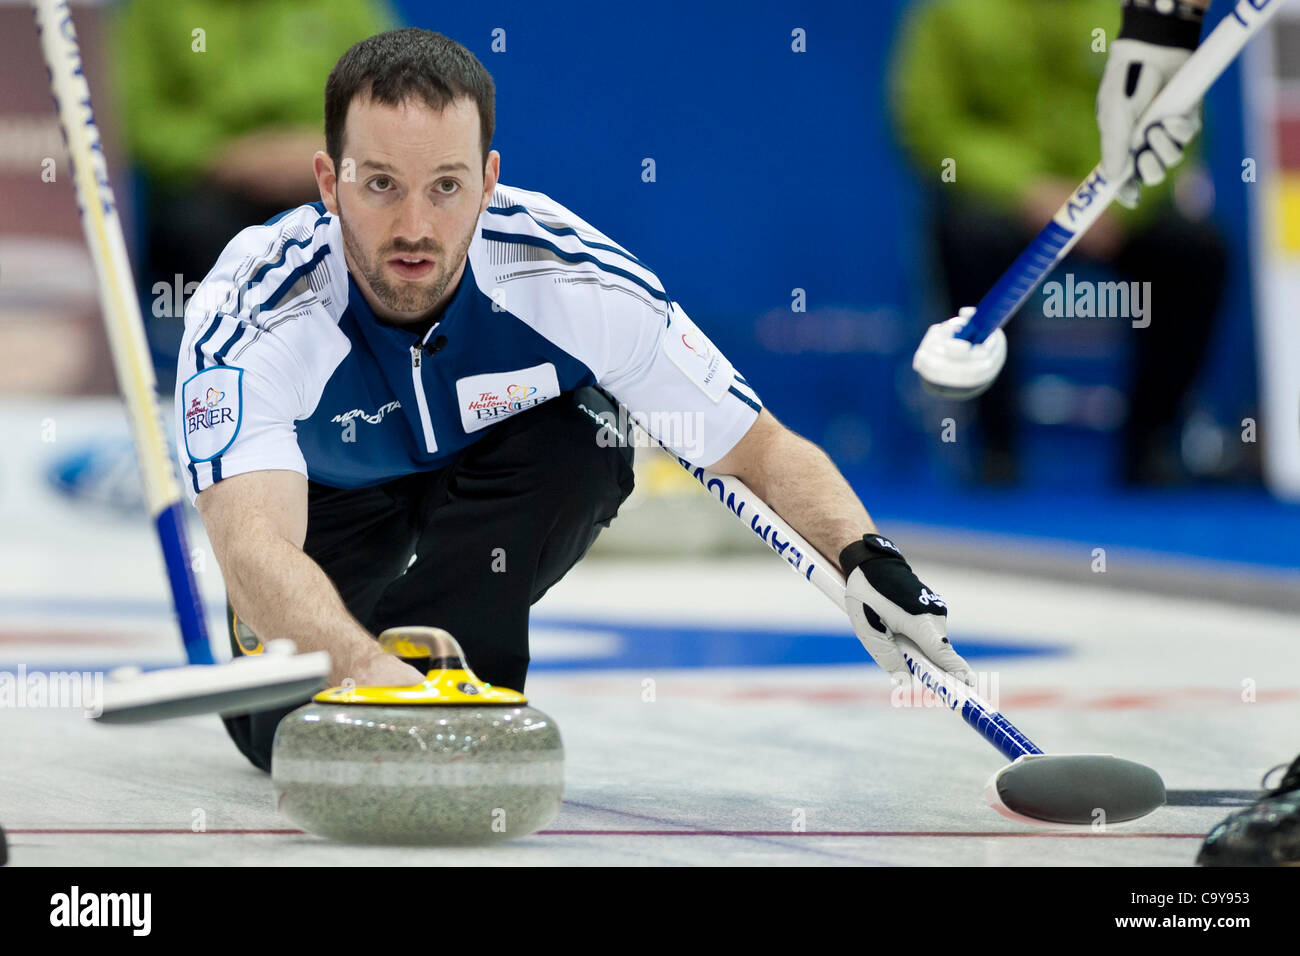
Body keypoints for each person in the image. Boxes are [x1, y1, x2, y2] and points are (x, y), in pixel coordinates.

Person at [175, 28, 974, 774]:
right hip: (330, 499)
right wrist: (366, 675)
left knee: (584, 439)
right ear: (329, 182)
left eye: (446, 186)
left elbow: (756, 448)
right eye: (381, 184)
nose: (414, 226)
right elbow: (254, 549)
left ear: (489, 183)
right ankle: (381, 680)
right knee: (281, 737)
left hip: (491, 469)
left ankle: (459, 698)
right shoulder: (255, 310)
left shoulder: (567, 276)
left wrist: (867, 557)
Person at [892, 0, 1227, 485]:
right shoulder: (950, 13)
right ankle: (996, 452)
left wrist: (1120, 201)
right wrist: (1024, 188)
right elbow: (926, 120)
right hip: (1008, 206)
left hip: (1119, 205)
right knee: (968, 239)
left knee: (1197, 252)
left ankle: (1151, 445)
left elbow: (1179, 117)